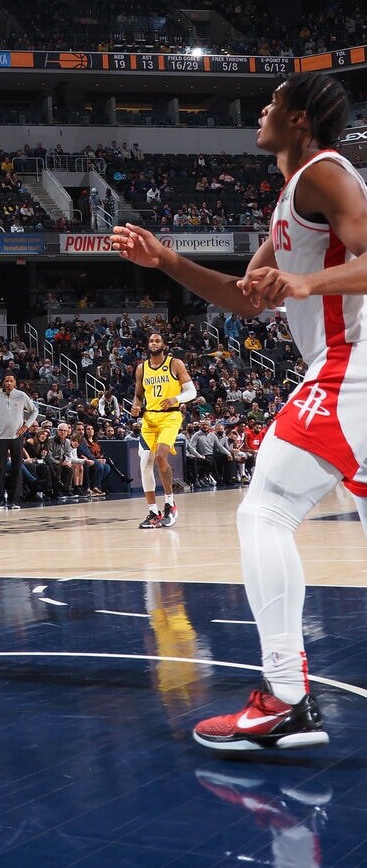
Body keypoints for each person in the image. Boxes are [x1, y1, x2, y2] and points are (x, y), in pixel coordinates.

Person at [111, 70, 363, 752]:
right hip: (347, 374)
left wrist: (307, 281)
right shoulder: (293, 196)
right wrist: (163, 259)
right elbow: (248, 297)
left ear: (301, 120)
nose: (261, 110)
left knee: (264, 511)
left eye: (273, 103)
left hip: (352, 367)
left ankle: (283, 697)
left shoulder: (324, 173)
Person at [129, 331, 195, 530]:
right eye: (150, 340)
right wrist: (135, 406)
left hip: (170, 416)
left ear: (164, 344)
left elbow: (191, 391)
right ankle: (153, 512)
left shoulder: (175, 364)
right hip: (149, 418)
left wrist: (176, 399)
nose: (154, 343)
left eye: (157, 340)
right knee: (144, 462)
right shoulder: (141, 368)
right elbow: (138, 395)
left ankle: (170, 504)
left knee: (161, 456)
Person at [0, 372, 39, 510]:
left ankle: (16, 500)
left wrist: (26, 426)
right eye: (6, 381)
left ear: (15, 383)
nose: (8, 383)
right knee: (0, 470)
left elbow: (34, 411)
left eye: (11, 381)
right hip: (0, 437)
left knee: (17, 469)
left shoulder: (21, 395)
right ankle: (0, 500)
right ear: (3, 382)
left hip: (16, 437)